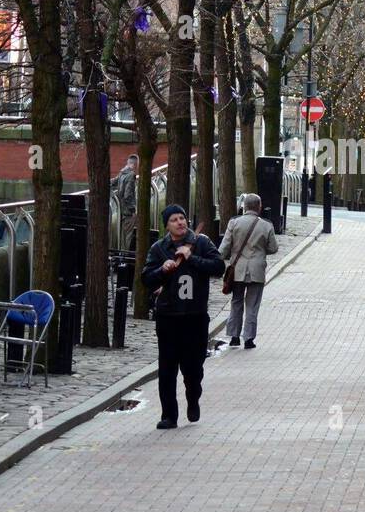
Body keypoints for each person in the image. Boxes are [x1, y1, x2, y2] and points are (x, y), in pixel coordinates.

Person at [141, 204, 225, 429]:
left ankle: (193, 397)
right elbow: (146, 278)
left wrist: (191, 259)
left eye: (182, 218)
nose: (180, 222)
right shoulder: (159, 249)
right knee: (167, 368)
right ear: (167, 225)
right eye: (174, 220)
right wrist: (162, 270)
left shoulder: (202, 243)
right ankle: (169, 415)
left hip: (195, 315)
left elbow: (219, 267)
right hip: (168, 316)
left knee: (193, 368)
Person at [218, 193, 278, 349]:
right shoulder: (266, 225)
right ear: (259, 206)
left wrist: (218, 260)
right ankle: (249, 338)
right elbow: (273, 248)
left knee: (236, 302)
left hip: (237, 269)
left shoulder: (234, 223)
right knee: (253, 304)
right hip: (257, 270)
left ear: (243, 206)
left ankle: (234, 336)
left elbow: (225, 246)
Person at [116, 154, 139, 253]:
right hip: (128, 212)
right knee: (128, 237)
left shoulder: (122, 172)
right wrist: (133, 210)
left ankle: (122, 256)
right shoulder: (131, 175)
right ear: (135, 164)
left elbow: (113, 182)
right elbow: (128, 195)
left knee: (122, 236)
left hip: (120, 210)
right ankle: (126, 259)